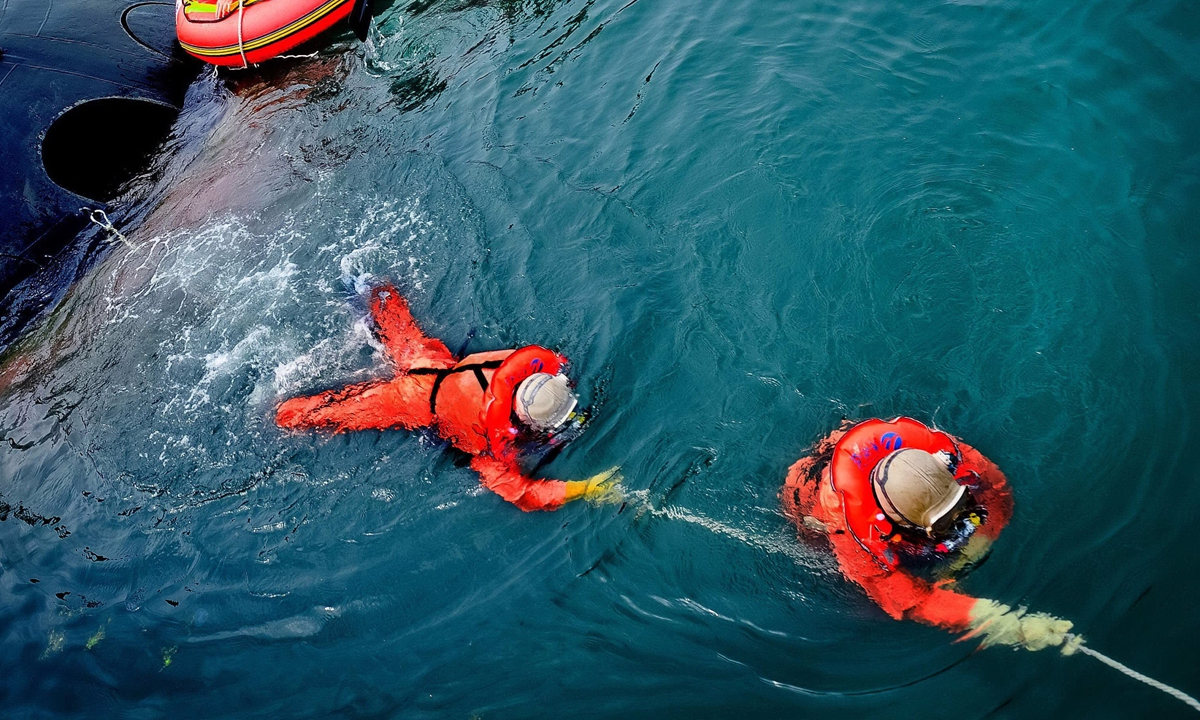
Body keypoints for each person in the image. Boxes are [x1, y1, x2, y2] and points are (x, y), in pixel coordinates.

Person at [276, 283, 620, 511]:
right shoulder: (490, 442)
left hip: (434, 362)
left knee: (386, 303)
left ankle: (363, 283)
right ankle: (279, 414)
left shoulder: (522, 371)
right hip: (414, 402)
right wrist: (584, 489)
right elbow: (522, 493)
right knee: (312, 415)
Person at [782, 417, 1079, 654]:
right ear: (894, 521)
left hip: (867, 450)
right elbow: (908, 602)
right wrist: (1001, 623)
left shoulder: (949, 458)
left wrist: (976, 546)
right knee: (869, 612)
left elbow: (997, 492)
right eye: (940, 526)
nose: (956, 526)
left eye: (960, 504)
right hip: (810, 492)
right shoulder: (855, 535)